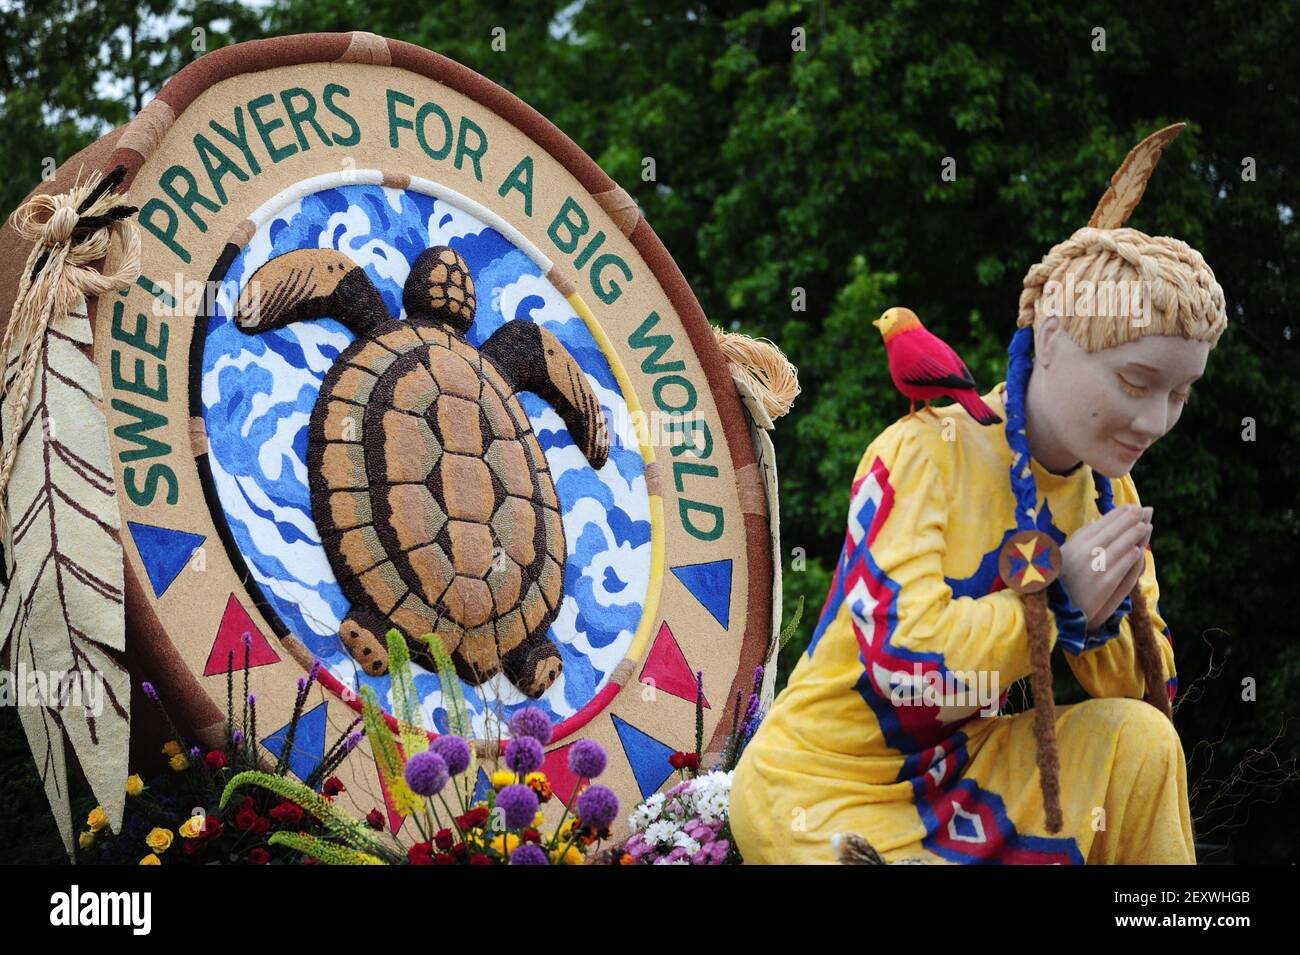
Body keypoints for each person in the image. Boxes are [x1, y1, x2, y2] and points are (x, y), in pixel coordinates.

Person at [729, 225, 1226, 864]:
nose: (1156, 421)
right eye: (1135, 381)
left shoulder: (1114, 498)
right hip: (823, 788)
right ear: (1051, 337)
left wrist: (1107, 619)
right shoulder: (924, 450)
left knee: (1143, 741)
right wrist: (1059, 604)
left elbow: (1151, 698)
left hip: (970, 778)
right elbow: (905, 663)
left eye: (1179, 394)